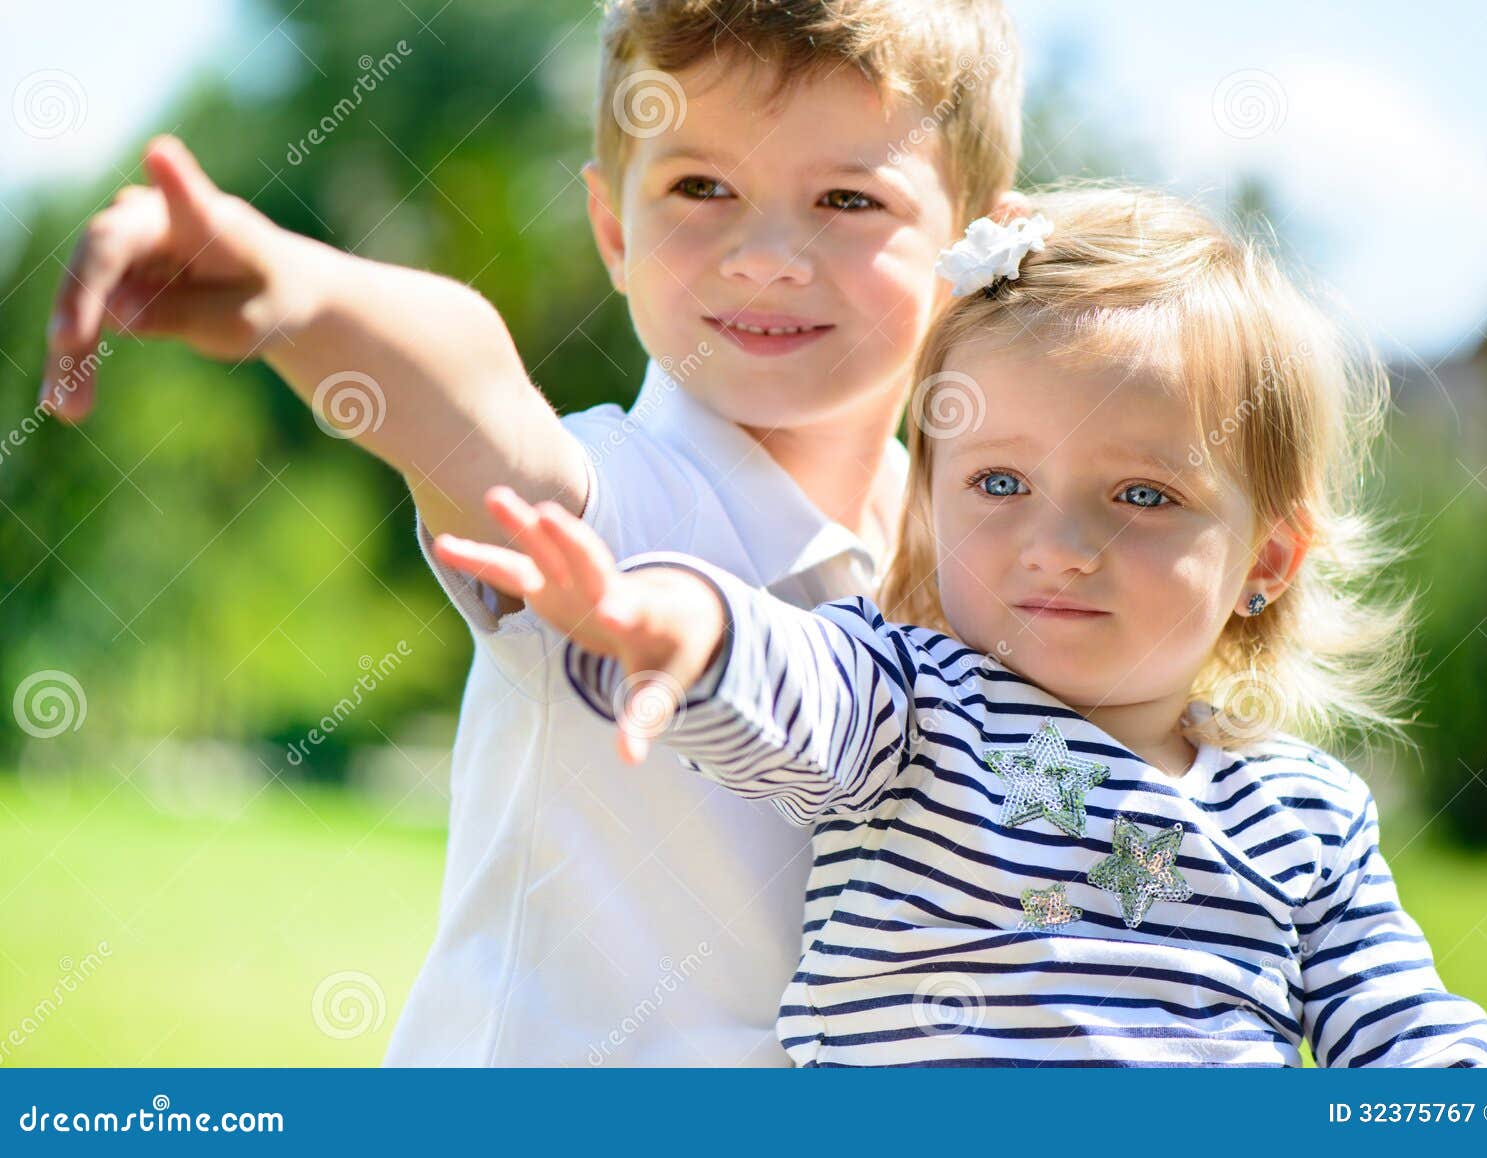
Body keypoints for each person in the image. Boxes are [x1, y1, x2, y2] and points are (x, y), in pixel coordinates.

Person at [42, 0, 1024, 1064]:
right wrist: (297, 289)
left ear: (976, 250)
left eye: (847, 198)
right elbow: (468, 389)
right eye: (702, 187)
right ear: (613, 229)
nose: (767, 257)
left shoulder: (977, 560)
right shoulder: (613, 499)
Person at [433, 186, 1487, 1066]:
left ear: (1265, 561)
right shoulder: (916, 706)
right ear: (930, 502)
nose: (1058, 546)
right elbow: (790, 675)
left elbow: (1411, 1040)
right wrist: (680, 624)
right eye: (999, 483)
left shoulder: (1307, 816)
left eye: (1142, 495)